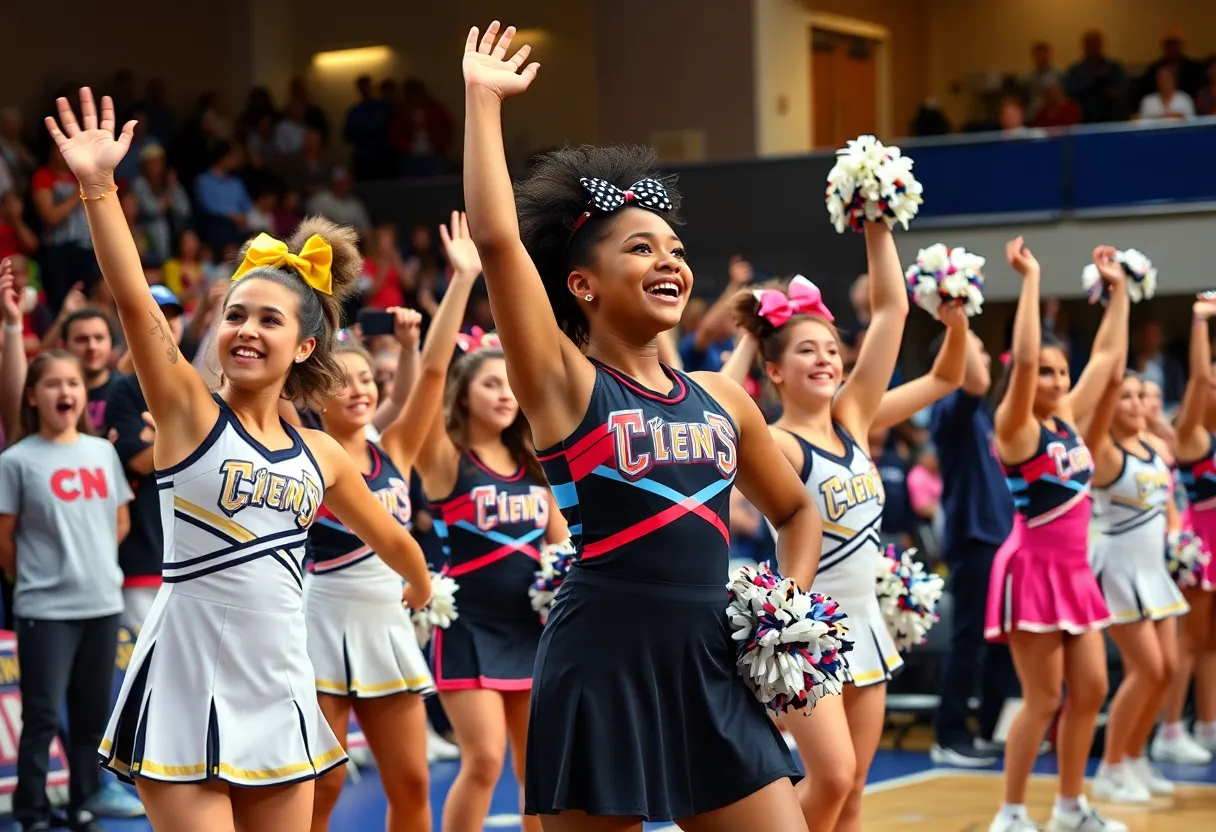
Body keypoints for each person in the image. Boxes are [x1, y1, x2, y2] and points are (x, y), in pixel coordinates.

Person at [462, 21, 818, 832]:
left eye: (675, 248)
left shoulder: (722, 401)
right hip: (601, 661)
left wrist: (783, 606)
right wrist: (484, 102)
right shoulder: (562, 382)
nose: (669, 261)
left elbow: (795, 510)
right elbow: (496, 239)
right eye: (640, 248)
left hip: (713, 663)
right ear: (582, 284)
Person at [45, 89, 432, 831]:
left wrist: (421, 590)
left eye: (270, 319)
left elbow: (392, 539)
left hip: (280, 692)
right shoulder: (190, 413)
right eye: (235, 315)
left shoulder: (322, 454)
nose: (247, 329)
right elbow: (132, 300)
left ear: (306, 345)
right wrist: (97, 185)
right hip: (186, 684)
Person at [729, 272, 967, 831]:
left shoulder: (854, 419)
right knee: (832, 777)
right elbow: (718, 407)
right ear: (775, 370)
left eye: (832, 350)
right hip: (805, 639)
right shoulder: (776, 442)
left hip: (866, 626)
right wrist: (751, 333)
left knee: (855, 787)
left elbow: (922, 346)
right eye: (806, 350)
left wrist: (878, 215)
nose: (825, 359)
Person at [304, 213, 482, 832]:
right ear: (313, 393)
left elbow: (432, 374)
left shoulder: (395, 450)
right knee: (318, 794)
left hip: (386, 631)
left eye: (366, 380)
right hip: (318, 627)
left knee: (410, 788)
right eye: (342, 382)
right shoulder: (301, 454)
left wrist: (460, 280)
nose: (359, 390)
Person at [985, 240, 1129, 832]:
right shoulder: (1014, 428)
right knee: (1042, 699)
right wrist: (1031, 280)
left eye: (1060, 371)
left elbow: (1110, 360)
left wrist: (1118, 291)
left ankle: (1071, 807)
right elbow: (1022, 360)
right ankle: (1012, 813)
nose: (1054, 378)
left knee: (1091, 689)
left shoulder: (1067, 418)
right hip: (1033, 568)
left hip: (1074, 571)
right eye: (1045, 371)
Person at [0, 350, 132, 832]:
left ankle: (82, 804)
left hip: (102, 605)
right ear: (33, 396)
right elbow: (5, 543)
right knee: (40, 717)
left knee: (90, 718)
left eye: (72, 383)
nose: (66, 392)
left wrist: (90, 560)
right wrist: (45, 578)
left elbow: (121, 520)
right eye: (53, 384)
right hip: (45, 611)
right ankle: (32, 812)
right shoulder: (16, 461)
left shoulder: (102, 453)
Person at [1088, 372, 1188, 802]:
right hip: (1118, 570)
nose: (1133, 403)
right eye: (1123, 396)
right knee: (1147, 669)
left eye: (1138, 396)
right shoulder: (1104, 453)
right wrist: (1106, 382)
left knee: (1166, 670)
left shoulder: (1156, 449)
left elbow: (1170, 507)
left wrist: (1178, 537)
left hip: (1154, 570)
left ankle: (1133, 756)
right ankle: (1109, 768)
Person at [928, 330, 1015, 768]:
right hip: (974, 538)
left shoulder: (983, 415)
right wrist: (960, 324)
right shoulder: (951, 408)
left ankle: (990, 728)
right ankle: (950, 733)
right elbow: (976, 380)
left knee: (998, 643)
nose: (984, 357)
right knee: (968, 640)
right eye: (976, 351)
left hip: (1000, 539)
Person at [1153, 300, 1216, 766]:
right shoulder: (1193, 436)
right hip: (1200, 549)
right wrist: (1199, 320)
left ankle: (1208, 726)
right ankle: (1170, 728)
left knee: (1211, 643)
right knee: (1189, 642)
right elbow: (1199, 378)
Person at [104, 284, 184, 633]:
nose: (164, 325)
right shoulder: (124, 387)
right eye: (156, 317)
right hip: (142, 555)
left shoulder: (197, 385)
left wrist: (157, 436)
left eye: (171, 317)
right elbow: (140, 461)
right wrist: (181, 439)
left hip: (190, 560)